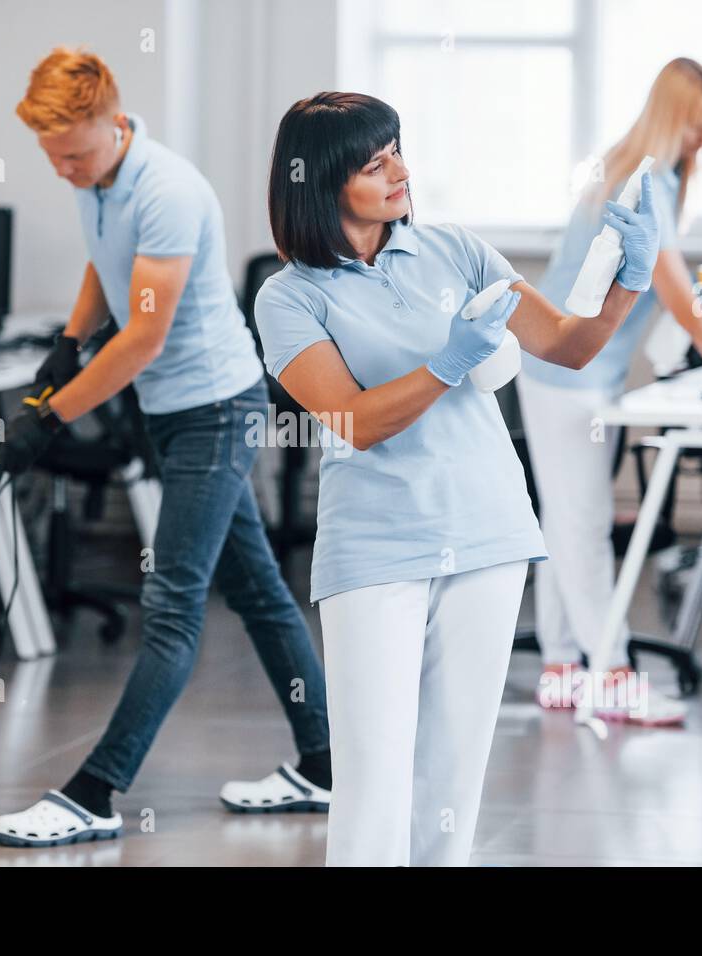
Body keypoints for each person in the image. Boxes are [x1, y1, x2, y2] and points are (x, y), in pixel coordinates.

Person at [253, 92, 660, 866]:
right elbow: (353, 421)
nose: (400, 171)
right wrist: (447, 364)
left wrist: (628, 279)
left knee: (452, 785)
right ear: (319, 182)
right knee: (373, 783)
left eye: (398, 149)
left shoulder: (458, 251)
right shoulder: (290, 297)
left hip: (488, 535)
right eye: (374, 164)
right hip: (375, 552)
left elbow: (569, 346)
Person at [0, 48, 331, 847]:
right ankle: (325, 766)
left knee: (173, 608)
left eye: (73, 155)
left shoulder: (169, 190)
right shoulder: (100, 178)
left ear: (115, 123)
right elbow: (102, 258)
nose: (64, 172)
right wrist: (68, 345)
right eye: (52, 159)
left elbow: (145, 335)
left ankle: (94, 791)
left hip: (217, 411)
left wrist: (50, 416)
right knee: (260, 595)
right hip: (177, 414)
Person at [518, 57, 702, 726]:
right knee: (583, 527)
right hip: (565, 374)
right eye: (699, 128)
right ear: (677, 122)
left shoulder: (636, 172)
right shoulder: (644, 183)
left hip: (565, 370)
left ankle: (563, 667)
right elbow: (683, 305)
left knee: (566, 522)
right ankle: (615, 676)